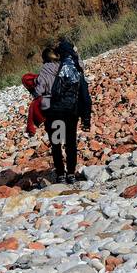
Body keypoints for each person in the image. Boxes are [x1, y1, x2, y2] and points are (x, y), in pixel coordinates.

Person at [38, 38, 92, 184]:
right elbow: (84, 94)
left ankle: (61, 174)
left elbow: (38, 91)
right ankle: (71, 174)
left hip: (54, 113)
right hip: (71, 112)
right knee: (71, 143)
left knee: (56, 143)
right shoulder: (74, 67)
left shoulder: (46, 69)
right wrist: (86, 117)